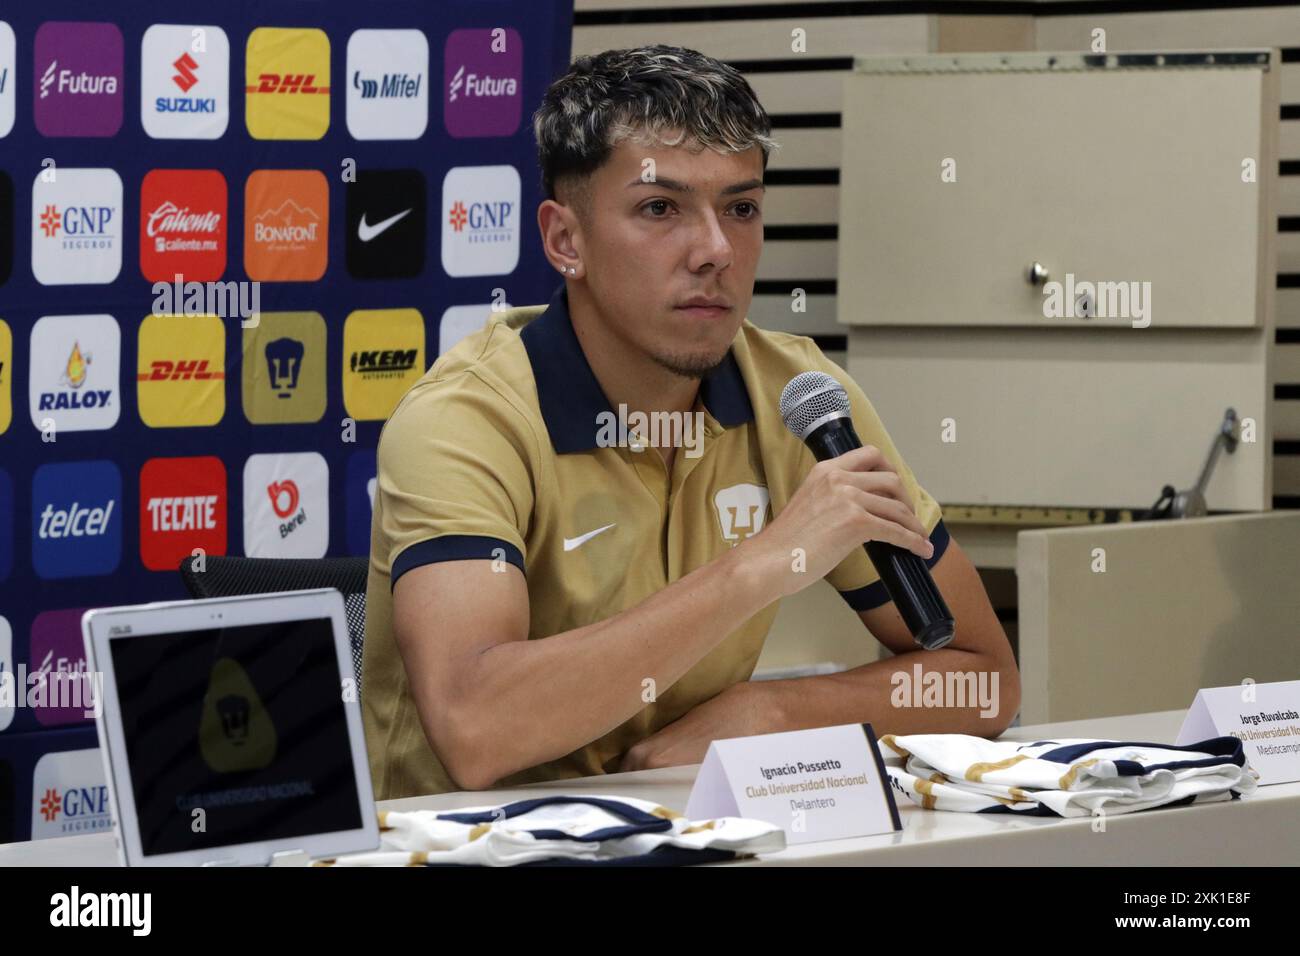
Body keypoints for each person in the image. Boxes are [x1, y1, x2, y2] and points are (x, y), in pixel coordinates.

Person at [362, 44, 1019, 800]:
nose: (715, 251)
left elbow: (982, 682)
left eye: (740, 208)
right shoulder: (465, 420)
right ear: (564, 240)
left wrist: (772, 710)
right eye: (660, 208)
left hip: (699, 835)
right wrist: (766, 562)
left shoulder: (800, 393)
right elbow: (478, 731)